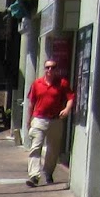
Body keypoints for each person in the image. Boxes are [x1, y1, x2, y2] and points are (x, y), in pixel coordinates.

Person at [25, 59, 74, 187]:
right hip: (39, 119)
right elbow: (31, 103)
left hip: (55, 120)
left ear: (56, 70)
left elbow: (70, 98)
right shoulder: (37, 84)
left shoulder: (62, 83)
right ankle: (34, 176)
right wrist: (28, 120)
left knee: (53, 150)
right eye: (47, 67)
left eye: (53, 67)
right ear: (44, 69)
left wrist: (67, 109)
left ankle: (48, 172)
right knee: (36, 147)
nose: (50, 70)